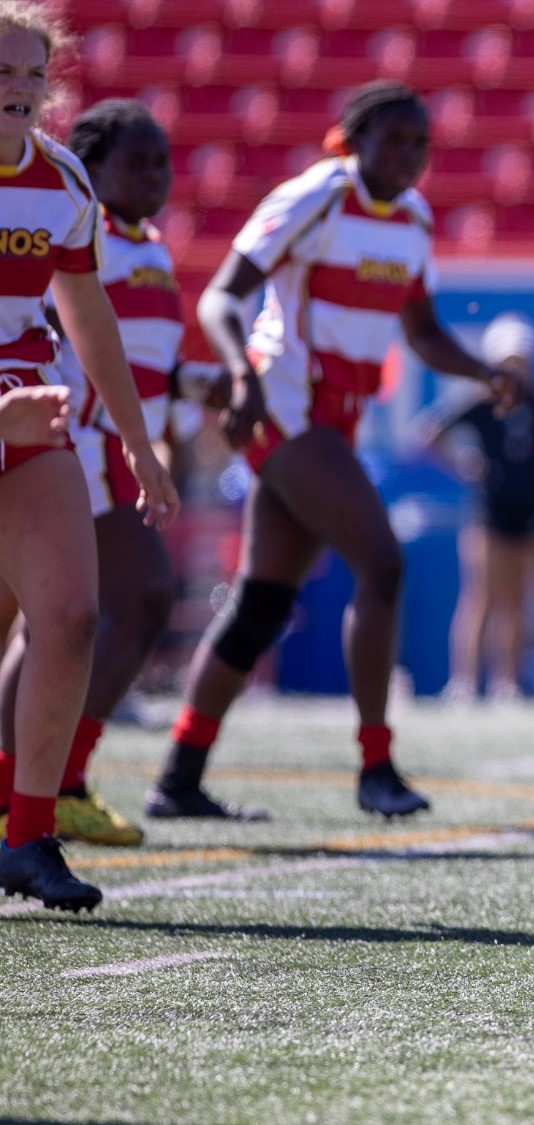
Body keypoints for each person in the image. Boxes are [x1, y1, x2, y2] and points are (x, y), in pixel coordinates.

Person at [148, 81, 521, 822]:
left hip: (331, 424)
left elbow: (421, 332)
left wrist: (483, 372)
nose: (409, 157)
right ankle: (376, 764)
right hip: (284, 410)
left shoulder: (412, 219)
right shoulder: (317, 197)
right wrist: (236, 374)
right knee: (382, 562)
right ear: (351, 139)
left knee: (261, 602)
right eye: (393, 140)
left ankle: (178, 776)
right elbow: (222, 296)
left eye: (420, 144)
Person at [0, 99, 228, 849]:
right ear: (92, 169)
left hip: (89, 445)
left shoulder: (147, 248)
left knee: (47, 624)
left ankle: (31, 795)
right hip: (71, 444)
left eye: (162, 161)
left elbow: (141, 360)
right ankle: (55, 783)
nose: (155, 175)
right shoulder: (87, 233)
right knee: (132, 599)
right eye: (136, 162)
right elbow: (68, 344)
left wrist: (192, 395)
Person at [0, 0, 180, 911]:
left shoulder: (64, 182)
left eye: (32, 74)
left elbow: (89, 319)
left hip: (33, 426)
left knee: (68, 616)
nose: (18, 88)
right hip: (12, 418)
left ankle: (27, 834)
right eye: (1, 72)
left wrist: (141, 444)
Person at [426, 313, 534, 703]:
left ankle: (506, 681)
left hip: (529, 511)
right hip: (489, 510)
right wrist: (464, 466)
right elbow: (429, 435)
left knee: (517, 599)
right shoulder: (480, 404)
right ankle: (464, 681)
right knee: (480, 595)